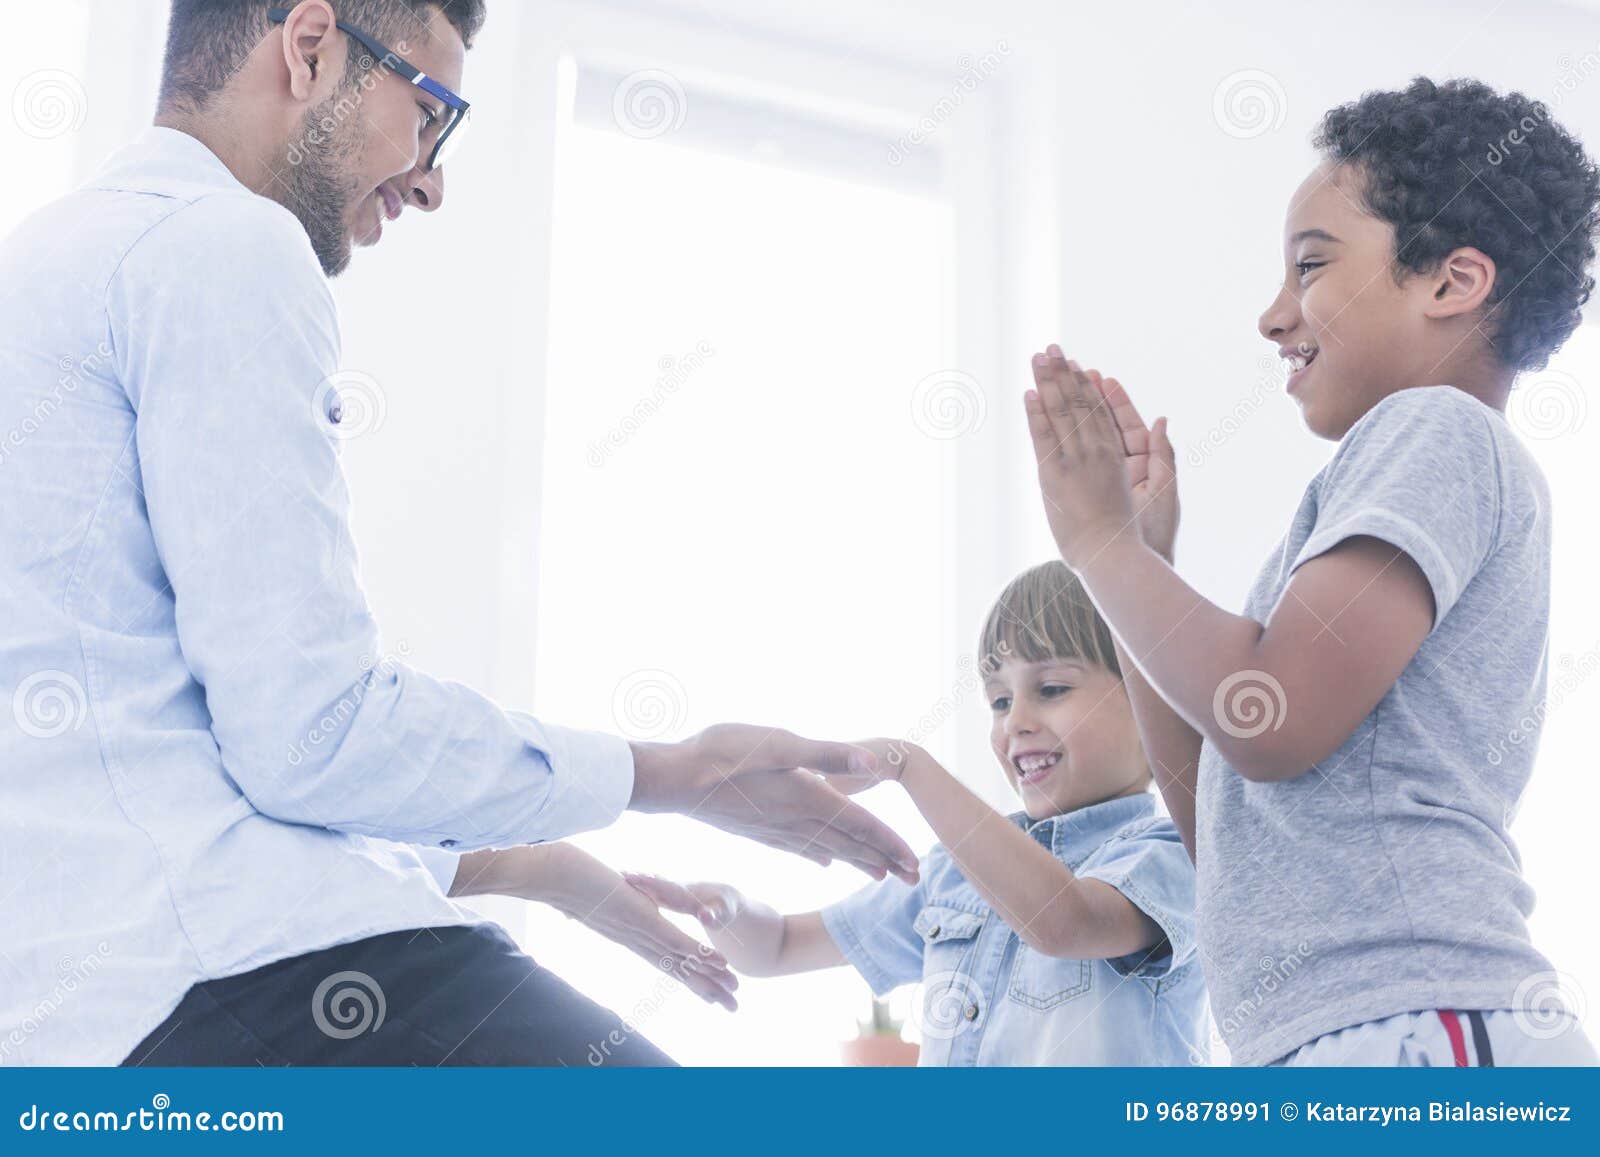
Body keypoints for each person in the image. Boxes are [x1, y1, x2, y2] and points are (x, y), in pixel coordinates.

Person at [0, 0, 916, 1067]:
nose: (431, 180)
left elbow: (147, 757)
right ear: (311, 50)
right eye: (430, 110)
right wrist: (679, 771)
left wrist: (535, 864)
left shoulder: (44, 265)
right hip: (244, 980)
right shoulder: (221, 242)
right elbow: (308, 737)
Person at [1021, 78, 1599, 1066]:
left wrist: (1101, 545)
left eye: (1311, 267)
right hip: (1347, 1032)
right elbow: (1219, 825)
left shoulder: (1436, 429)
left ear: (1452, 282)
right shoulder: (1399, 469)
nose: (1272, 315)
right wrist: (1138, 563)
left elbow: (1271, 720)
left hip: (1413, 1021)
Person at [630, 562, 1208, 1065]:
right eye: (999, 700)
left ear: (1151, 704)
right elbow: (778, 947)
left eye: (1052, 688)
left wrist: (909, 765)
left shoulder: (1176, 855)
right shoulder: (954, 877)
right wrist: (727, 911)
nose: (1014, 722)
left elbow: (1065, 922)